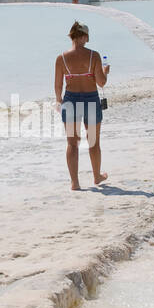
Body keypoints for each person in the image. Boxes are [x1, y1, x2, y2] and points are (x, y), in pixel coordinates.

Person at [55, 20, 110, 190]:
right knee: (93, 141)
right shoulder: (94, 56)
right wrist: (105, 72)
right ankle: (97, 176)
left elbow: (58, 86)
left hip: (70, 101)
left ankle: (75, 183)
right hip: (91, 100)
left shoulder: (62, 58)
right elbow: (101, 83)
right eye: (87, 36)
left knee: (72, 143)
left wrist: (59, 101)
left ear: (72, 36)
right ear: (84, 36)